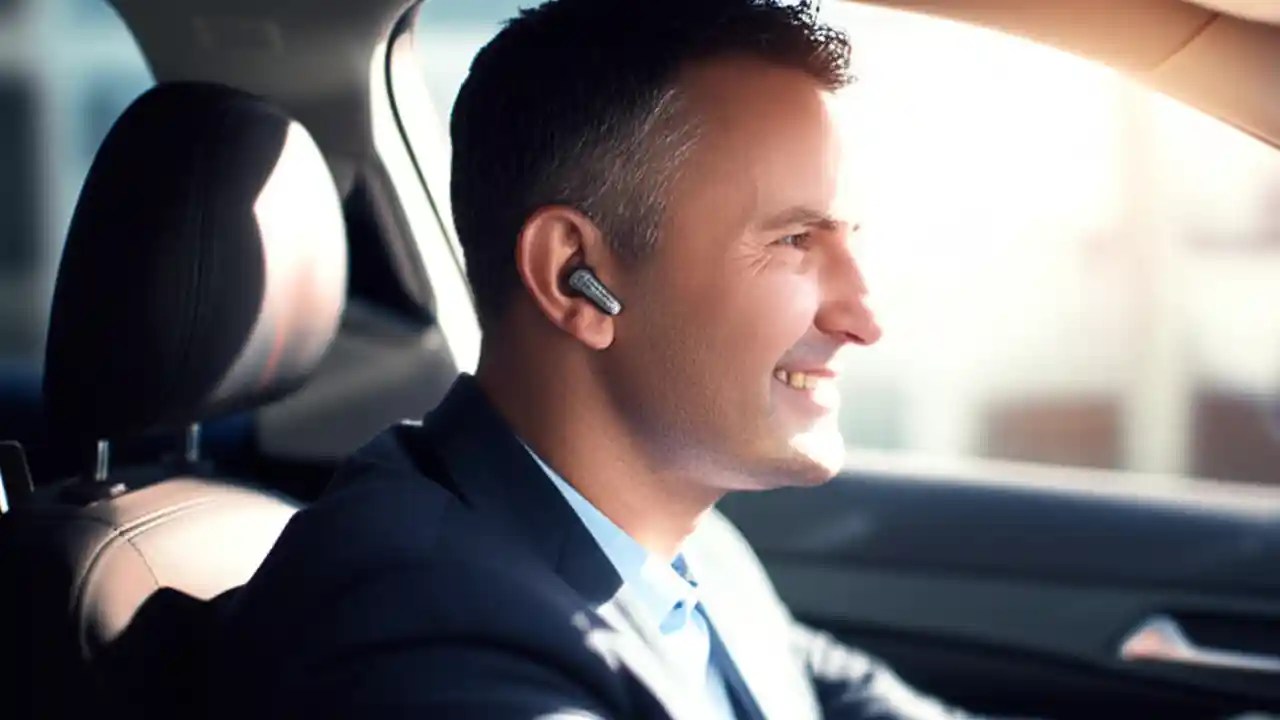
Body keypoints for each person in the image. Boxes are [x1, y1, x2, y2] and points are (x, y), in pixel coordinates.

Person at [213, 1, 987, 717]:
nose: (864, 320)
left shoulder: (693, 552)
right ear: (574, 278)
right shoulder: (425, 630)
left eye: (851, 239)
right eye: (794, 241)